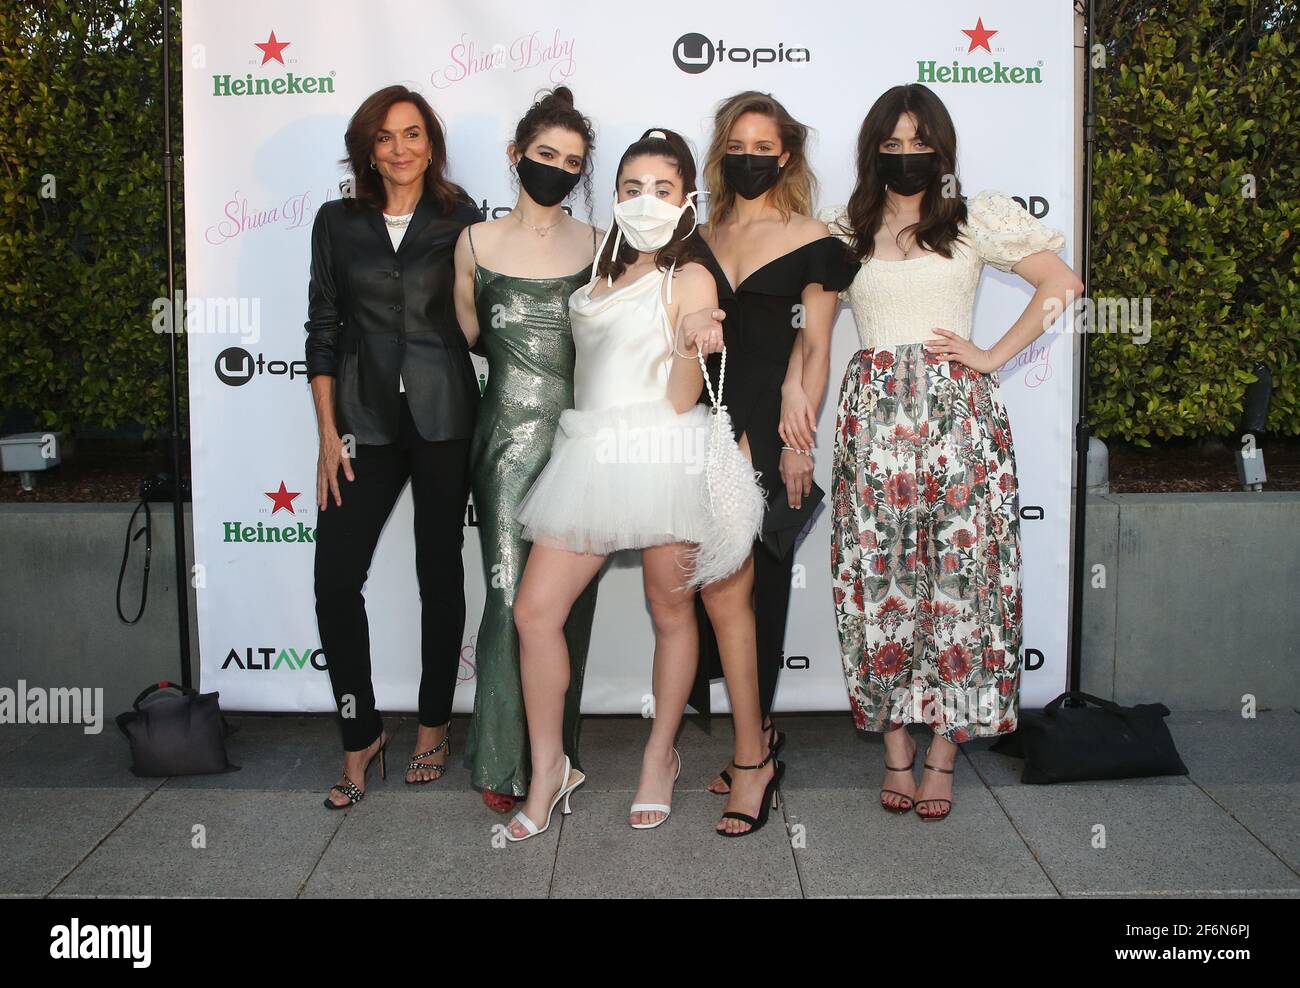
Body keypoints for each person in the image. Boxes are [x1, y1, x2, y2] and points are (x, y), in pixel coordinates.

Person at [822, 84, 1082, 820]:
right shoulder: (846, 226)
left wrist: (991, 354)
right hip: (872, 424)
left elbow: (1063, 284)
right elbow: (805, 319)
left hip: (959, 420)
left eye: (920, 142)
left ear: (943, 149)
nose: (907, 154)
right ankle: (895, 751)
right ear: (873, 149)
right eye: (893, 143)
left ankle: (944, 753)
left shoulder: (973, 219)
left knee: (962, 583)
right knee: (880, 581)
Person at [505, 128, 767, 841]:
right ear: (614, 196)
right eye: (630, 188)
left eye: (661, 188)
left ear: (686, 199)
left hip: (662, 453)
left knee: (671, 611)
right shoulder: (597, 269)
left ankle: (660, 755)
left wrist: (689, 344)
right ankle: (549, 766)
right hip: (592, 453)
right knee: (535, 613)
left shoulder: (689, 276)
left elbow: (684, 397)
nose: (645, 201)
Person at [305, 85, 481, 809]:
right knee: (335, 579)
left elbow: (484, 317)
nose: (400, 149)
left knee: (438, 575)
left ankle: (435, 726)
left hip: (445, 419)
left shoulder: (460, 217)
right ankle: (361, 734)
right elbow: (322, 328)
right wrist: (326, 434)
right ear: (366, 148)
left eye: (412, 135)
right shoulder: (337, 222)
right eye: (385, 137)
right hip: (363, 422)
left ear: (431, 143)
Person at [690, 92, 857, 835]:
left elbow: (815, 345)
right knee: (713, 591)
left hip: (767, 424)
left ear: (785, 154)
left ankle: (754, 761)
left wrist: (797, 437)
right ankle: (753, 739)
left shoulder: (812, 237)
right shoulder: (698, 234)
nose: (750, 157)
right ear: (722, 153)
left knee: (754, 588)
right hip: (697, 425)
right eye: (738, 145)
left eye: (765, 146)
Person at [452, 87, 602, 816]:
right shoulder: (475, 242)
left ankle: (556, 757)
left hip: (581, 439)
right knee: (510, 593)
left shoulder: (600, 243)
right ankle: (501, 757)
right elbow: (471, 336)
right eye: (546, 155)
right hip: (505, 440)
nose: (557, 170)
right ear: (516, 156)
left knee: (566, 604)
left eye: (572, 162)